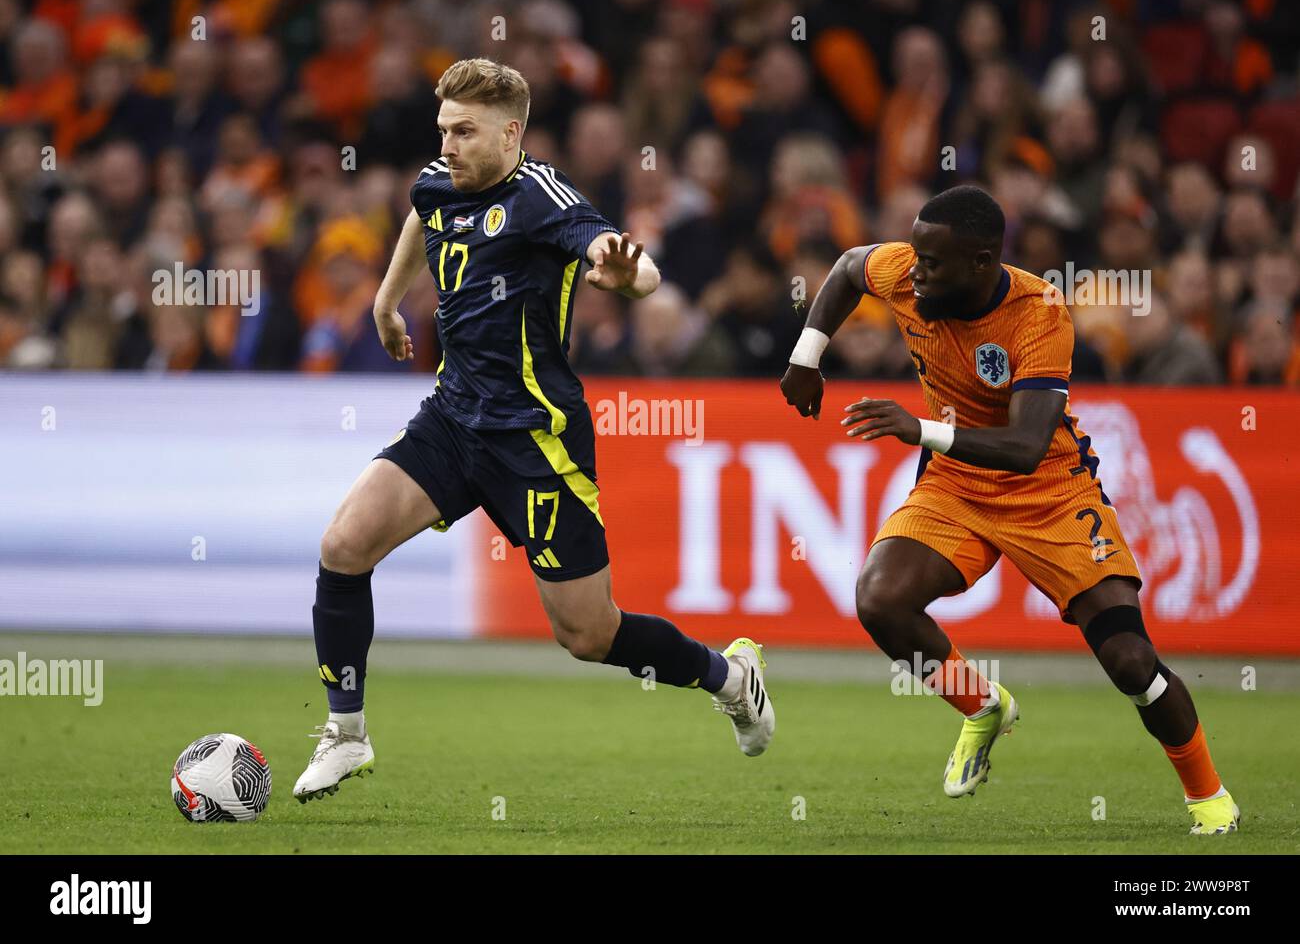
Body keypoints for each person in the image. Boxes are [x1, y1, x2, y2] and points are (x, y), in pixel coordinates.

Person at [294, 58, 773, 802]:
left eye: (465, 131)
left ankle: (730, 676)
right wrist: (389, 301)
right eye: (443, 129)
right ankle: (347, 734)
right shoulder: (439, 179)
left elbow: (623, 264)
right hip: (453, 419)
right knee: (343, 547)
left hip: (537, 439)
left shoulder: (542, 199)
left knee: (588, 634)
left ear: (510, 132)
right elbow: (423, 213)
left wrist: (628, 274)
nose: (447, 145)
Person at [779, 185, 1238, 835]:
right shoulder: (910, 273)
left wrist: (921, 430)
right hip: (957, 485)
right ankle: (982, 705)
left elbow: (1025, 448)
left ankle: (1209, 795)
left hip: (1049, 490)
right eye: (914, 255)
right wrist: (806, 356)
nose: (914, 271)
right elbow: (850, 265)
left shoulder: (1038, 313)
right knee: (880, 599)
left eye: (932, 263)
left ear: (982, 262)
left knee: (1131, 662)